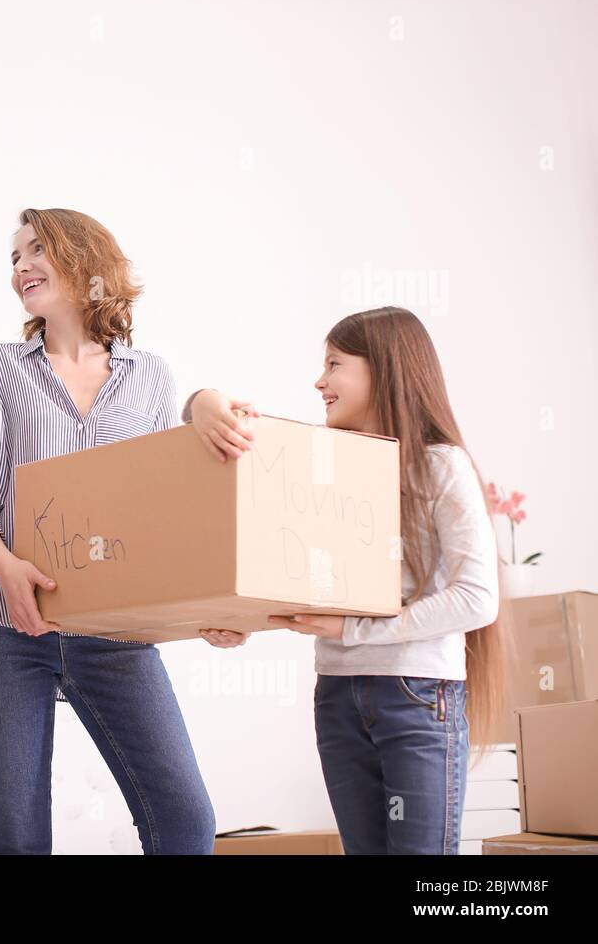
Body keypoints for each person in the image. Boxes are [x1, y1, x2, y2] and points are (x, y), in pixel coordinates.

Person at [195, 306, 505, 854]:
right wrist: (241, 621)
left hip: (415, 693)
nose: (320, 380)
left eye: (335, 364)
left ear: (383, 370)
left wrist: (355, 629)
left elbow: (477, 599)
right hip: (337, 693)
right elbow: (301, 581)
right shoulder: (323, 467)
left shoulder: (439, 466)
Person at [0, 207, 216, 854]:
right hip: (5, 630)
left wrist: (207, 608)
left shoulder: (150, 378)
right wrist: (6, 569)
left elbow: (162, 518)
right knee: (17, 834)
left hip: (114, 632)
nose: (20, 267)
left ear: (82, 257)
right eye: (13, 258)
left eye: (35, 249)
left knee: (185, 821)